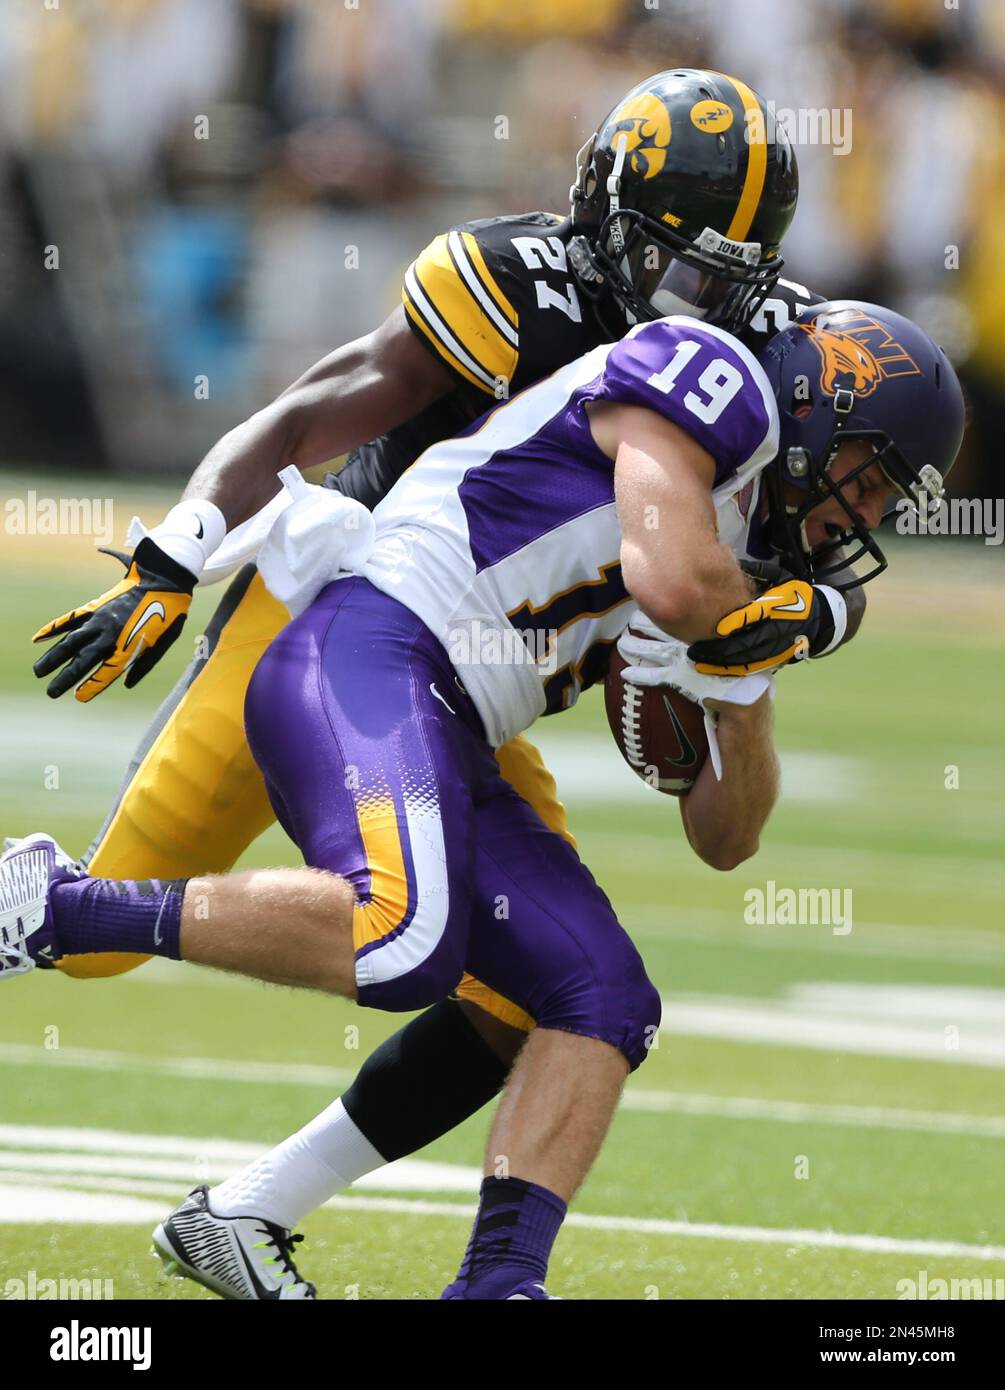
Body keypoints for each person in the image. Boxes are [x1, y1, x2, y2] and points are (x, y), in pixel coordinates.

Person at [16, 70, 831, 1274]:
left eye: (720, 270)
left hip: (471, 688)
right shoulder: (520, 283)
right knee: (101, 942)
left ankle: (242, 1210)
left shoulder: (733, 358)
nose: (686, 293)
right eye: (667, 256)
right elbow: (312, 411)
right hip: (336, 619)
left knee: (540, 986)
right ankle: (40, 900)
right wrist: (171, 553)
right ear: (603, 210)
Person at [2, 300, 965, 1298]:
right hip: (370, 644)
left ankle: (466, 1272)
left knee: (602, 994)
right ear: (821, 401)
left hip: (455, 724)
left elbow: (728, 835)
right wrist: (794, 621)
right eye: (868, 480)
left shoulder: (751, 571)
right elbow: (672, 582)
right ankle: (55, 904)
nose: (863, 518)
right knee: (405, 936)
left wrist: (748, 686)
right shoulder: (713, 379)